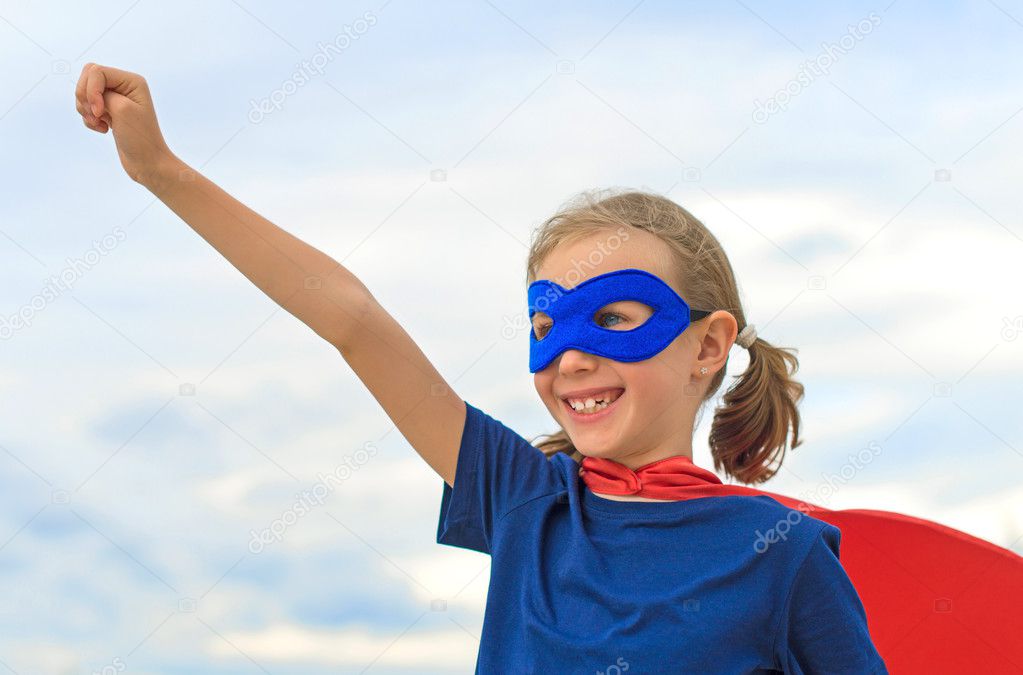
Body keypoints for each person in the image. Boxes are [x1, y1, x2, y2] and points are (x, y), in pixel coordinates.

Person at [75, 63, 887, 673]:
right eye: (544, 325)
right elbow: (353, 322)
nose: (570, 353)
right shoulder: (525, 500)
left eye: (611, 317)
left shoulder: (780, 554)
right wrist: (161, 171)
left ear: (707, 346)